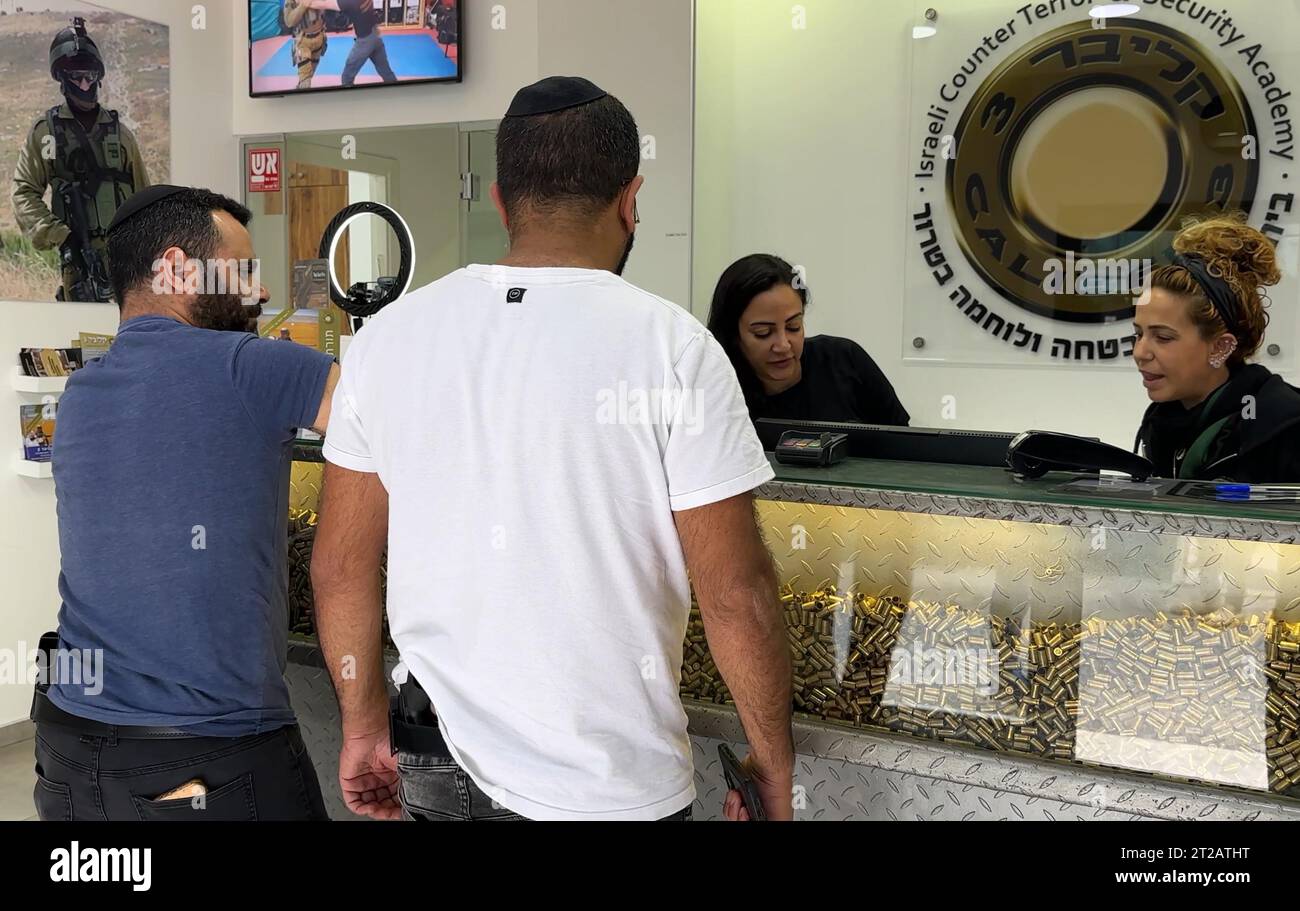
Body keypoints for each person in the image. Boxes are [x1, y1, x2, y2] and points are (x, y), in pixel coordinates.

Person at [311, 76, 795, 822]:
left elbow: (340, 566)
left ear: (501, 202)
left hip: (433, 757)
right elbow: (735, 593)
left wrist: (361, 725)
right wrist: (770, 760)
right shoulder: (675, 350)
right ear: (632, 199)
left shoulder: (386, 343)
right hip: (609, 783)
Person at [30, 186, 341, 821]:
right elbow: (404, 428)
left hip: (69, 748)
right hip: (208, 756)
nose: (258, 291)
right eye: (245, 270)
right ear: (174, 267)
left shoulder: (81, 391)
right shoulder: (251, 365)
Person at [1133, 214, 1300, 482]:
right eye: (1138, 334)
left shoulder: (1287, 429)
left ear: (1221, 347)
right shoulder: (1160, 422)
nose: (1140, 353)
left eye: (1163, 337)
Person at [11, 17, 149, 302]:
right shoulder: (46, 132)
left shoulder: (120, 134)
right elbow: (23, 194)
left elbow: (144, 200)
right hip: (78, 263)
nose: (85, 83)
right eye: (76, 76)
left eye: (89, 75)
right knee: (81, 335)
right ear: (63, 78)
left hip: (125, 261)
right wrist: (61, 235)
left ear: (98, 77)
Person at [706, 253, 909, 427]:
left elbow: (906, 443)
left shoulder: (844, 360)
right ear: (733, 334)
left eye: (793, 327)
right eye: (763, 333)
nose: (783, 345)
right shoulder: (716, 393)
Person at [309, 0, 398, 86]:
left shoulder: (349, 1)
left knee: (346, 77)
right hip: (375, 36)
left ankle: (349, 98)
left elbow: (323, 4)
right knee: (386, 72)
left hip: (364, 41)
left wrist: (304, 3)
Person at [283, 0, 329, 89]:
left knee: (310, 72)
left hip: (319, 37)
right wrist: (303, 5)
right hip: (303, 41)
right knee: (305, 78)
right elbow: (289, 22)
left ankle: (300, 88)